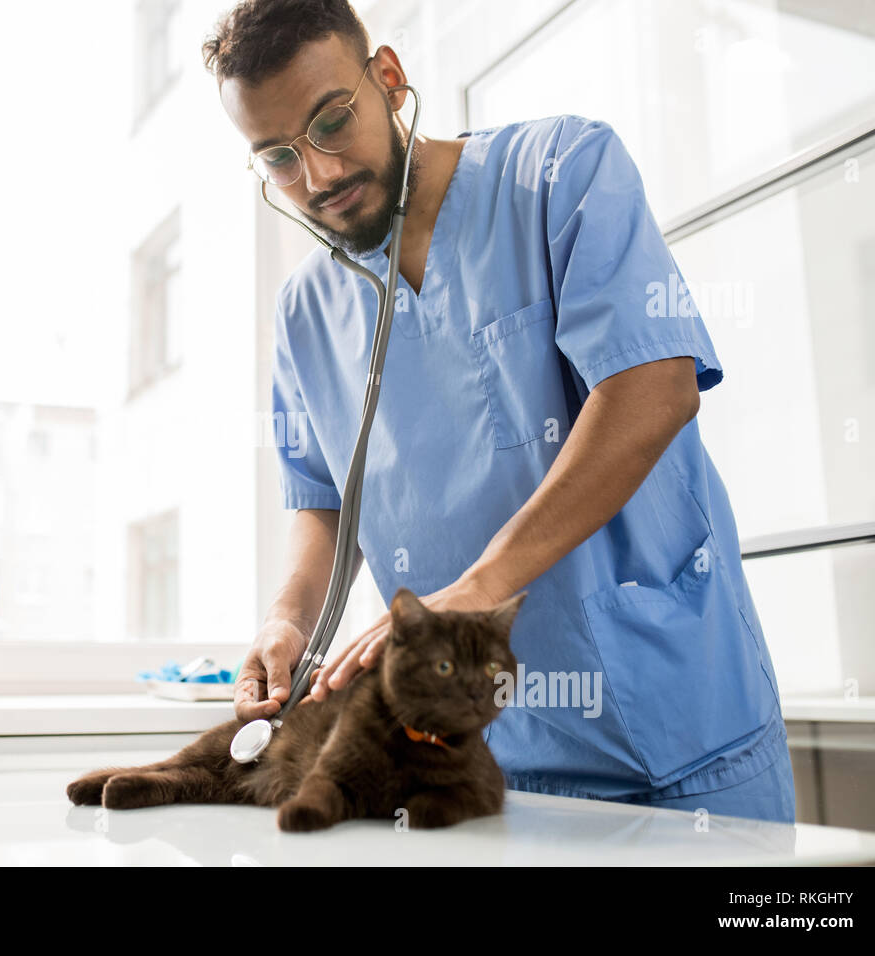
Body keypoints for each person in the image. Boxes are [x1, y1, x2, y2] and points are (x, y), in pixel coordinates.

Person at [203, 0, 796, 824]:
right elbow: (321, 503)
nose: (321, 176)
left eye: (332, 121)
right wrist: (286, 622)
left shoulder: (558, 172)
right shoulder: (304, 312)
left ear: (389, 79)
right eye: (278, 158)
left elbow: (656, 387)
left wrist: (479, 588)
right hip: (476, 770)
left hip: (679, 733)